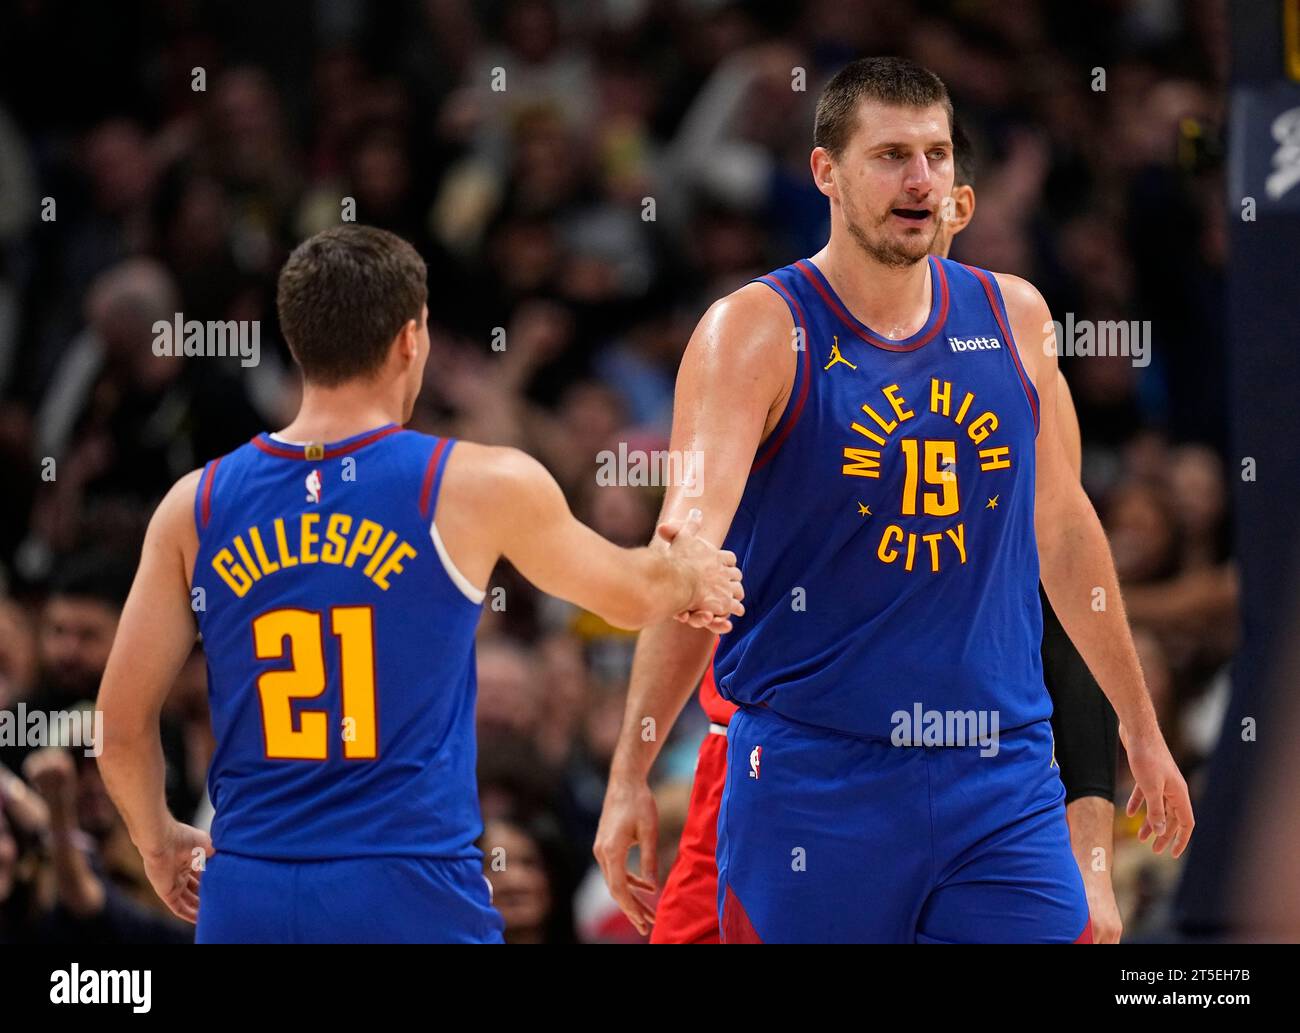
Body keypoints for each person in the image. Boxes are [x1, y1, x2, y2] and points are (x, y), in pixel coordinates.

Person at [594, 57, 1191, 944]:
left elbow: (1066, 534)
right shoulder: (756, 330)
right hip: (816, 778)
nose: (920, 180)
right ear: (826, 174)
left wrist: (1139, 730)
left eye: (938, 155)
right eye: (891, 156)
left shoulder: (1016, 316)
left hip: (1001, 773)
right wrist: (631, 767)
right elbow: (688, 540)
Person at [95, 224, 744, 944]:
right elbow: (630, 593)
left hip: (251, 890)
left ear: (295, 339)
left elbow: (119, 728)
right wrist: (691, 574)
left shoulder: (196, 503)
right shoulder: (474, 482)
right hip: (407, 890)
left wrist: (156, 839)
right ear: (411, 339)